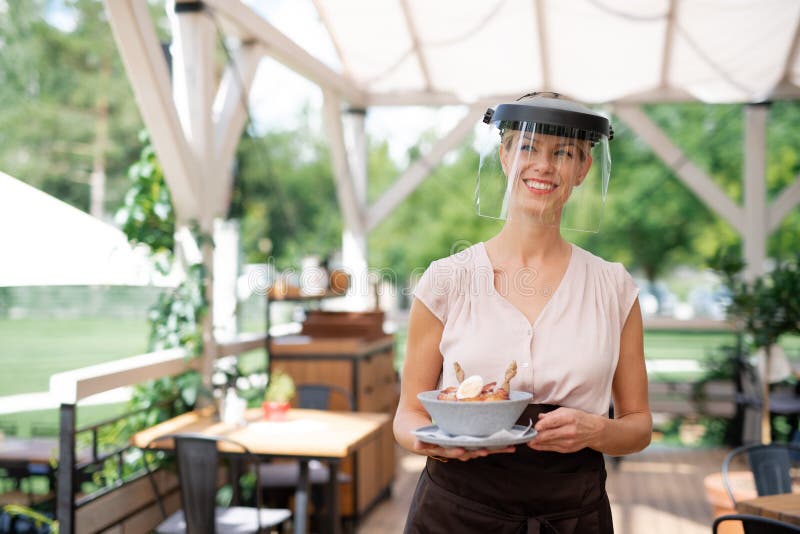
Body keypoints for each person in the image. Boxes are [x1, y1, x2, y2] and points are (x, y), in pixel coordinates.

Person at [393, 92, 651, 533]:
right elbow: (406, 416)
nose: (543, 166)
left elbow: (639, 425)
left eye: (563, 153)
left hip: (573, 517)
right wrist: (434, 444)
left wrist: (597, 432)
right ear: (505, 156)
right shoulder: (446, 278)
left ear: (584, 169)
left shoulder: (614, 287)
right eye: (528, 147)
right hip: (455, 514)